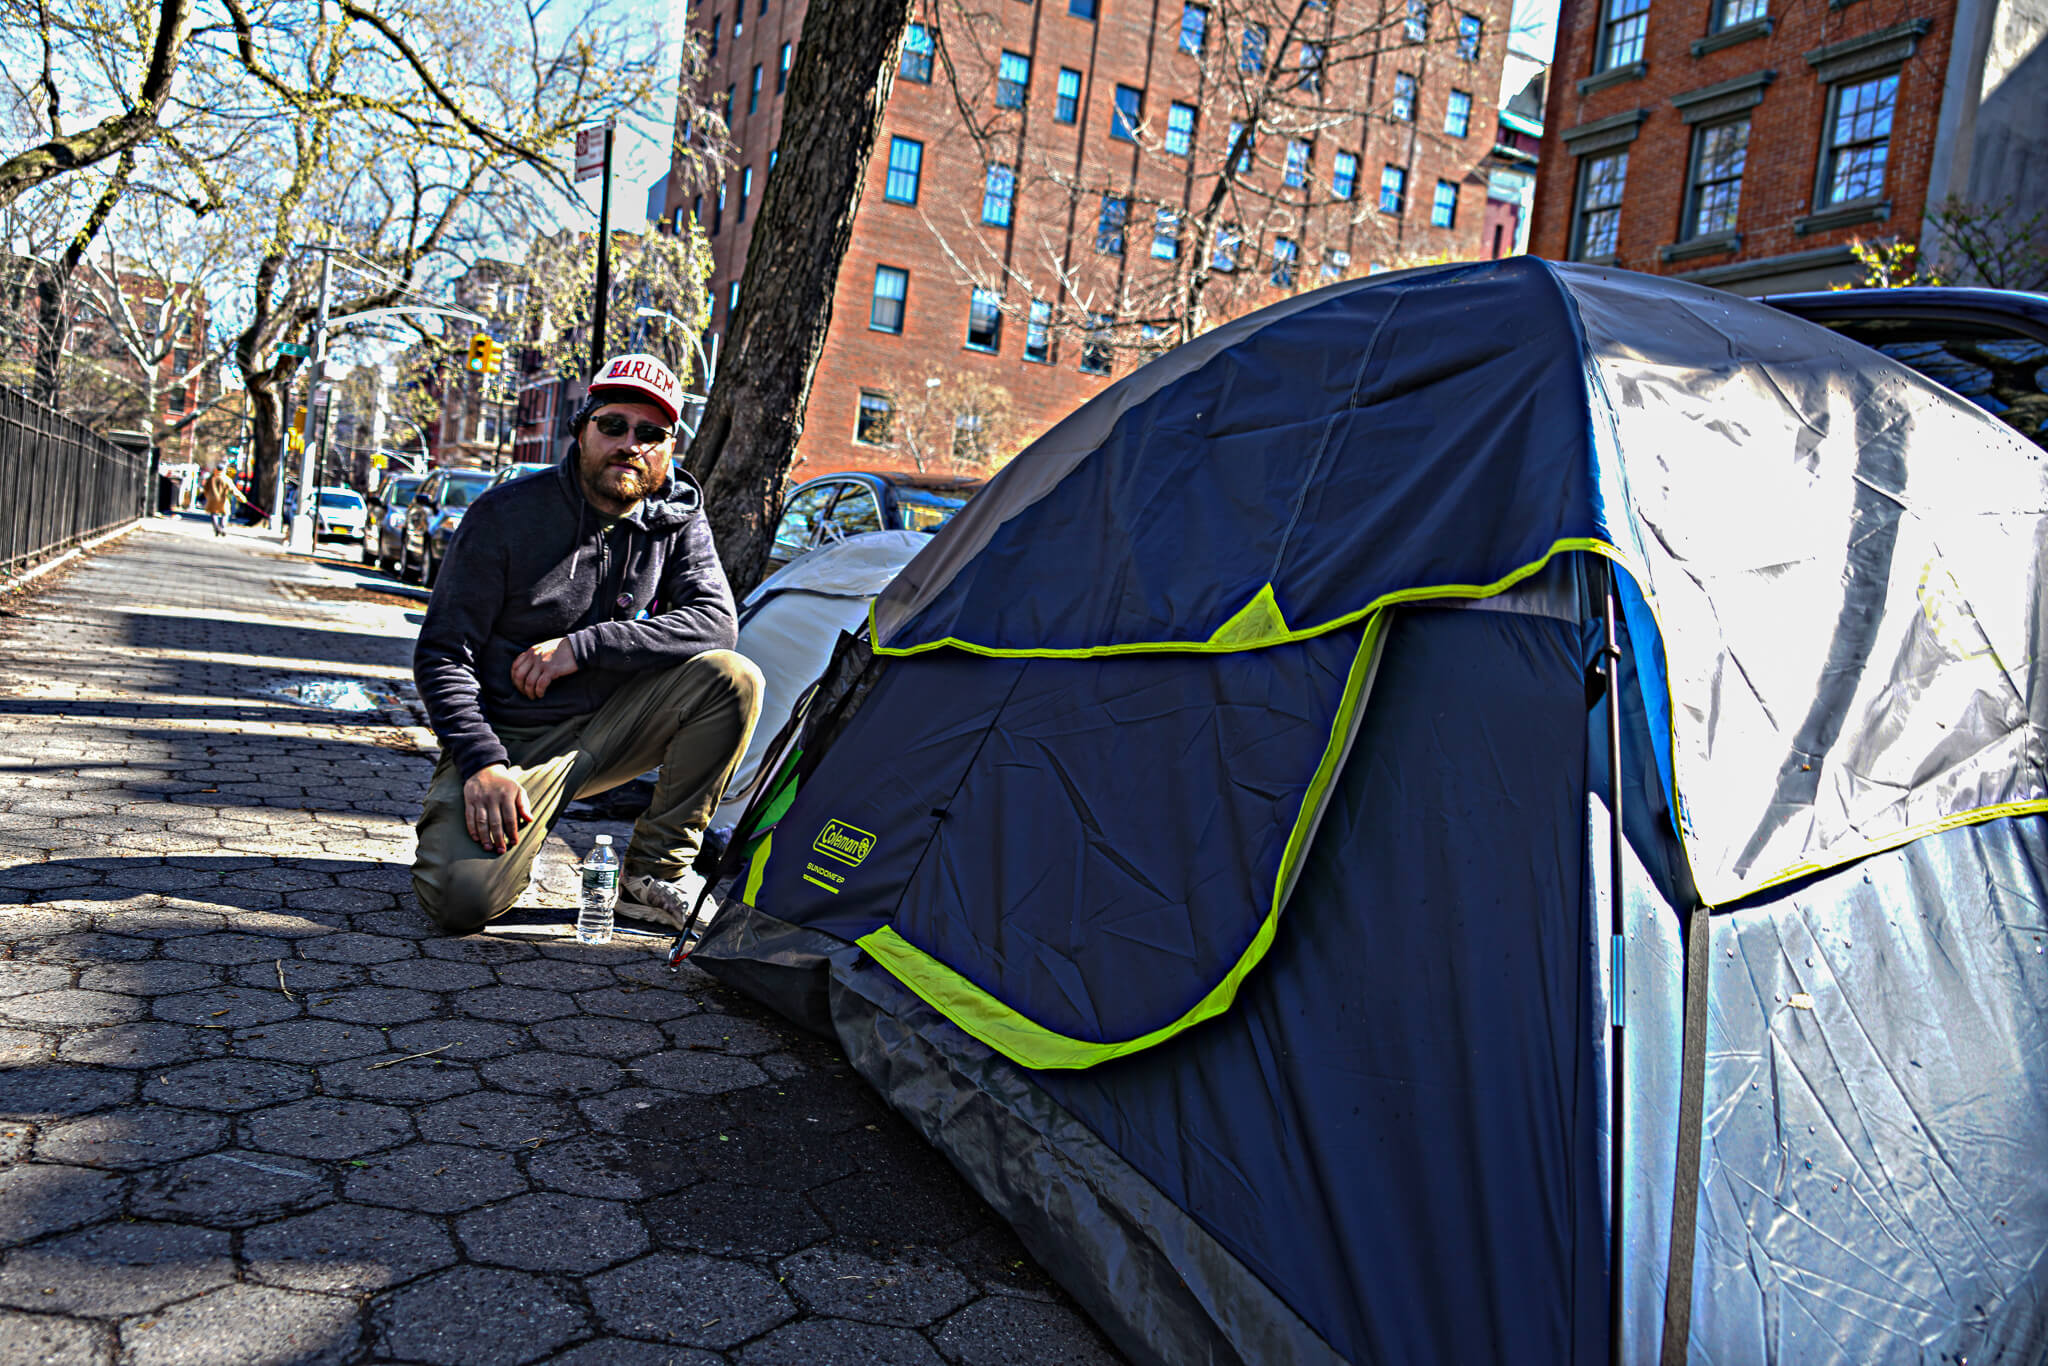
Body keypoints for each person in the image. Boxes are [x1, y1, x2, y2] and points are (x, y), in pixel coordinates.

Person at [410, 353, 763, 934]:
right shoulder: (505, 516)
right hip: (513, 740)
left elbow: (716, 623)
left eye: (652, 433)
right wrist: (482, 762)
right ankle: (508, 839)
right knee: (459, 902)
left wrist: (585, 646)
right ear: (581, 430)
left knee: (733, 677)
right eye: (614, 425)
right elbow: (444, 653)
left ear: (671, 447)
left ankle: (654, 875)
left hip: (614, 727)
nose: (631, 444)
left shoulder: (675, 518)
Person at [201, 465, 241, 537]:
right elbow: (233, 490)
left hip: (212, 499)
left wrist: (207, 496)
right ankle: (222, 528)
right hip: (223, 499)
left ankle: (216, 528)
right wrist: (241, 497)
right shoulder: (226, 479)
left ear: (216, 469)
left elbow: (205, 488)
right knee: (226, 514)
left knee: (213, 513)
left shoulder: (211, 478)